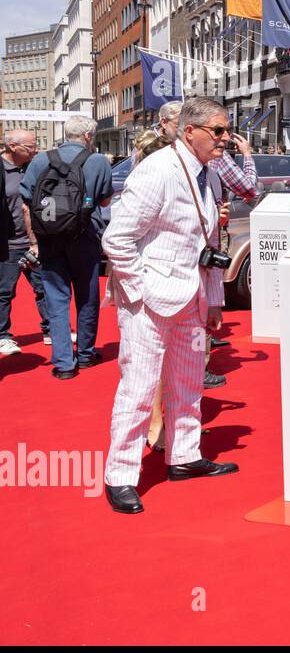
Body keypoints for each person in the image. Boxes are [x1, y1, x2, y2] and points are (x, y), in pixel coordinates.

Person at [101, 97, 240, 514]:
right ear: (190, 131)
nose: (225, 138)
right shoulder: (158, 169)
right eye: (217, 131)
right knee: (139, 389)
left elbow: (207, 242)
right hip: (149, 302)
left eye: (226, 130)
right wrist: (140, 290)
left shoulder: (206, 172)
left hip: (191, 299)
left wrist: (214, 299)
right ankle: (120, 475)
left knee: (188, 385)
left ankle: (184, 456)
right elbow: (117, 239)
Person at [20, 115, 113, 378]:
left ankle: (63, 363)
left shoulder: (41, 160)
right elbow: (105, 202)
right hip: (84, 236)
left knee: (56, 298)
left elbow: (27, 201)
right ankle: (84, 354)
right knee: (87, 298)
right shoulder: (97, 161)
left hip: (50, 238)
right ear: (87, 136)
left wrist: (35, 240)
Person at [1, 129, 51, 355]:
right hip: (8, 243)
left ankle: (51, 329)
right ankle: (2, 335)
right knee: (4, 291)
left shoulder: (34, 168)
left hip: (35, 242)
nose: (36, 150)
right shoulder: (2, 169)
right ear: (12, 146)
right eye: (30, 147)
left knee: (44, 287)